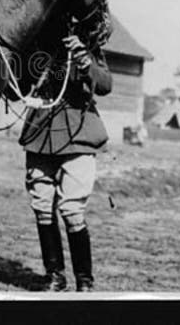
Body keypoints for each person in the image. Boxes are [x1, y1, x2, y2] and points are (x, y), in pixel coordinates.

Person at [18, 34, 112, 292]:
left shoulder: (87, 44)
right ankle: (55, 277)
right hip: (40, 132)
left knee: (72, 210)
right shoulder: (36, 44)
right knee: (42, 206)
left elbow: (105, 84)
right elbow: (20, 86)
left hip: (78, 132)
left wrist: (84, 59)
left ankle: (84, 281)